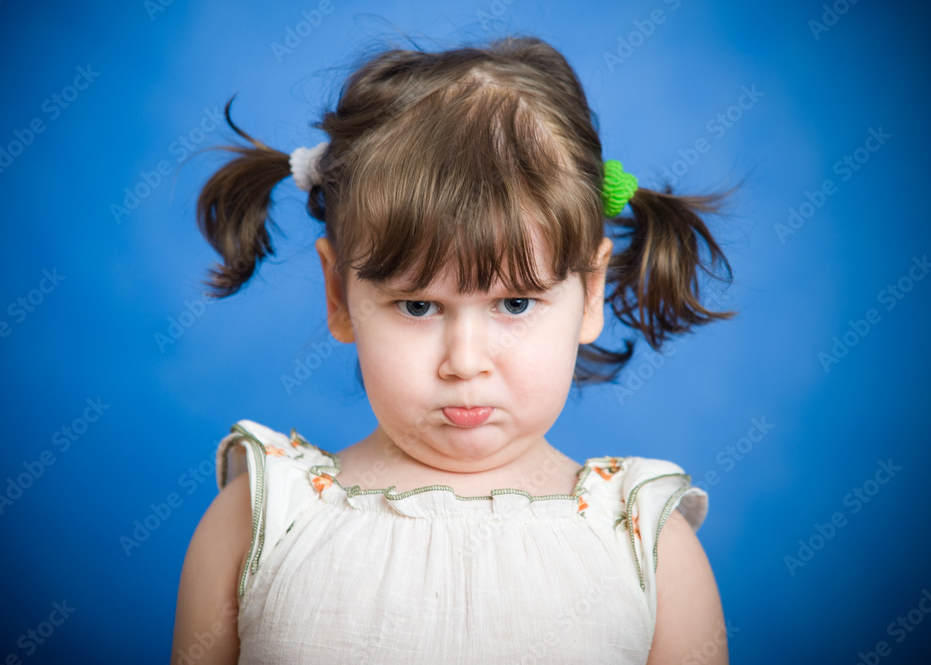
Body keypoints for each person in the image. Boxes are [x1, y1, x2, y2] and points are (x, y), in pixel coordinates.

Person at [172, 35, 735, 665]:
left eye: (516, 304)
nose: (465, 362)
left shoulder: (648, 543)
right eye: (418, 306)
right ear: (338, 294)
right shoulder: (262, 521)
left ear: (591, 292)